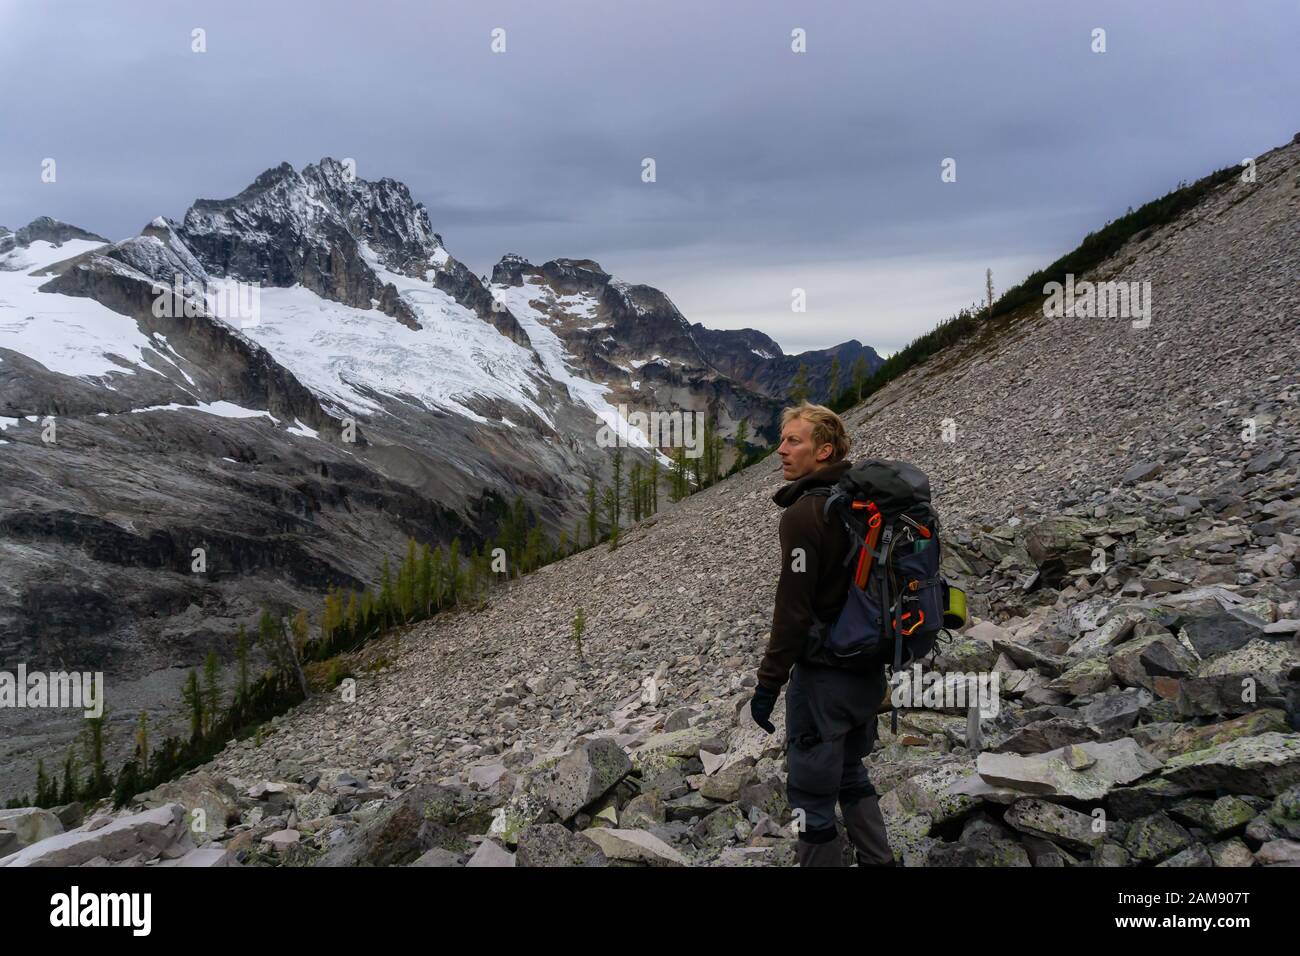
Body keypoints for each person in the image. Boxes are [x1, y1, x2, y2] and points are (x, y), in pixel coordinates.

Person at [748, 401, 896, 867]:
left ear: (824, 450)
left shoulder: (804, 514)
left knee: (810, 793)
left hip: (824, 678)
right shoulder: (864, 504)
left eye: (794, 441)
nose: (781, 450)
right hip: (868, 669)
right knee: (851, 772)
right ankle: (881, 862)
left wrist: (769, 683)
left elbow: (792, 610)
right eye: (782, 439)